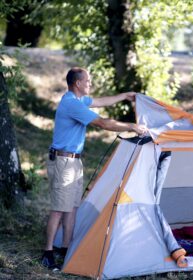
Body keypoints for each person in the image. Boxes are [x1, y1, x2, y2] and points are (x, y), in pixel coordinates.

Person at [41, 67, 147, 269]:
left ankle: (65, 248)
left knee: (72, 208)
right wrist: (131, 126)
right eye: (88, 81)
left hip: (73, 161)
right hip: (63, 162)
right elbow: (102, 123)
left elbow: (101, 101)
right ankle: (47, 253)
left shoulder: (80, 99)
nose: (90, 84)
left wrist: (124, 96)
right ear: (77, 83)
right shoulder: (71, 104)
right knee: (59, 209)